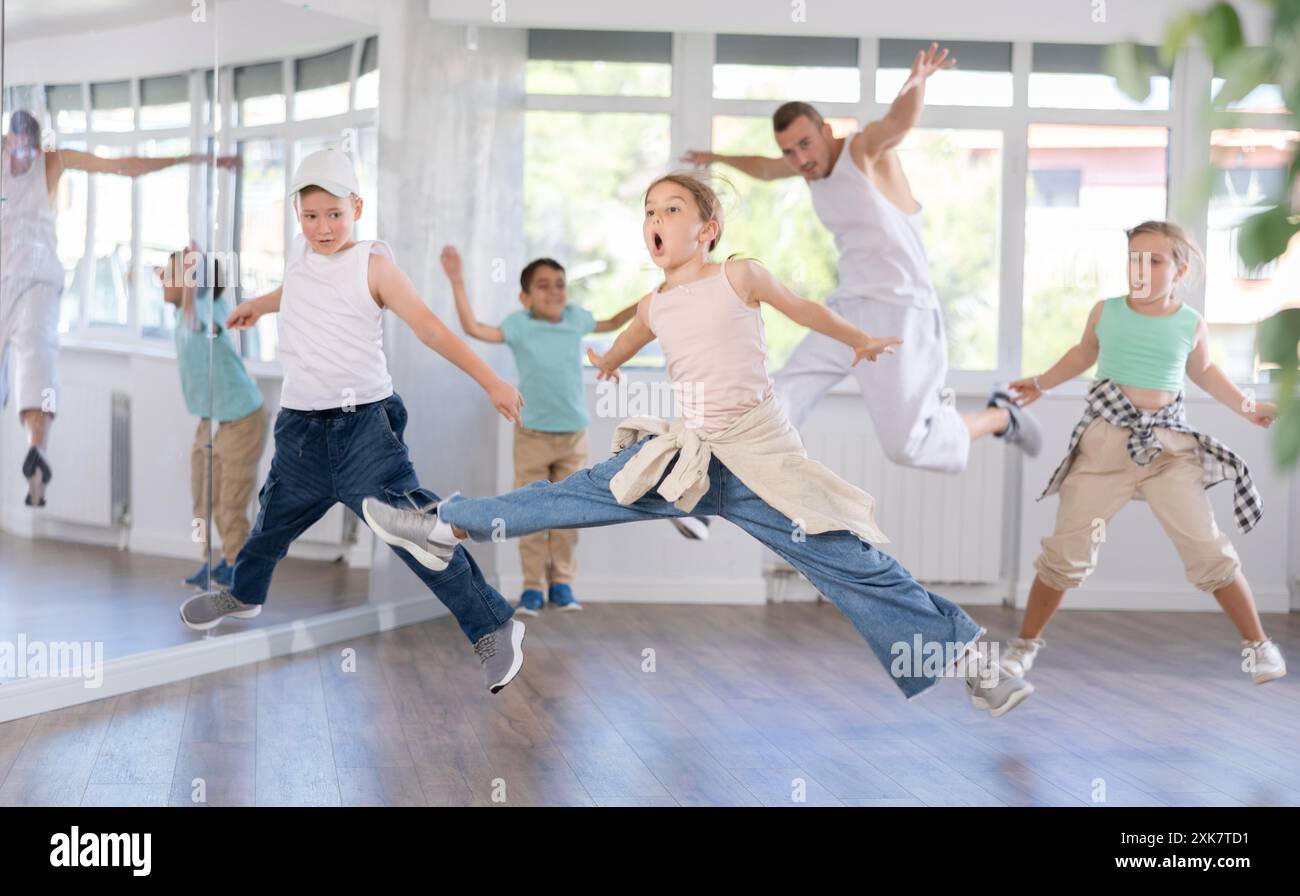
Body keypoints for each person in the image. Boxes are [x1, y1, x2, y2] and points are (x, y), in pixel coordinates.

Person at [362, 171, 1035, 716]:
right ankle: (441, 524)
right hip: (687, 459)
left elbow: (804, 308)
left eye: (672, 207)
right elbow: (626, 340)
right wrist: (606, 362)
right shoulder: (656, 303)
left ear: (706, 229)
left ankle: (979, 666)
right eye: (649, 209)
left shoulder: (739, 275)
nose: (656, 218)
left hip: (762, 460)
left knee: (851, 564)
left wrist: (858, 339)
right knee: (566, 497)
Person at [179, 149, 528, 695]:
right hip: (300, 431)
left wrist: (491, 381)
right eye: (311, 215)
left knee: (417, 535)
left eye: (335, 215)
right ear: (298, 213)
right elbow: (298, 289)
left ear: (357, 207)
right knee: (270, 524)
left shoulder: (374, 264)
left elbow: (432, 329)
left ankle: (493, 626)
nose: (323, 228)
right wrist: (260, 306)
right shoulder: (300, 252)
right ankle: (245, 594)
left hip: (362, 430)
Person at [683, 44, 1040, 475]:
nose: (800, 159)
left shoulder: (864, 151)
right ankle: (720, 480)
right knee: (785, 393)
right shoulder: (805, 168)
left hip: (902, 311)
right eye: (789, 152)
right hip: (849, 307)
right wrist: (716, 157)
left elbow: (899, 122)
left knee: (906, 446)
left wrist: (916, 82)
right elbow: (762, 167)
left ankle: (1001, 416)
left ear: (826, 131)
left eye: (805, 144)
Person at [1002, 220, 1285, 685]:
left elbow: (1207, 372)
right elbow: (1080, 356)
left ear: (1180, 269)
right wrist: (1039, 383)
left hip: (1168, 449)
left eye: (1154, 260)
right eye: (1134, 259)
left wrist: (1248, 407)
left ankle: (1259, 646)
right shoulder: (1106, 311)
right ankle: (1023, 647)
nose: (1141, 269)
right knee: (1066, 553)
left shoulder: (1190, 324)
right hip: (1103, 447)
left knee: (1207, 548)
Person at [0, 108, 237, 505]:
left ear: (38, 147)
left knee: (37, 364)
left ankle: (37, 451)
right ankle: (37, 450)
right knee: (33, 366)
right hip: (13, 280)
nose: (20, 157)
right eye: (14, 147)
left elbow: (125, 166)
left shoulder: (54, 161)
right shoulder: (17, 159)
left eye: (27, 149)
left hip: (38, 281)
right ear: (8, 141)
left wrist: (195, 158)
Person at [443, 246, 636, 615]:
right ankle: (532, 586)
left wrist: (651, 298)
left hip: (573, 436)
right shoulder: (519, 325)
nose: (554, 292)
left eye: (560, 285)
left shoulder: (575, 319)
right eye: (543, 286)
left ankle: (562, 583)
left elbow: (612, 323)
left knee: (569, 513)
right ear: (525, 297)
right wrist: (456, 280)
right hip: (532, 435)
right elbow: (473, 328)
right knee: (528, 512)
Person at [160, 246, 267, 590]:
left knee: (229, 506)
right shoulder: (181, 312)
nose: (164, 279)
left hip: (240, 419)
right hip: (210, 420)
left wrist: (193, 275)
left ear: (193, 283)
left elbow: (202, 325)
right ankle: (211, 565)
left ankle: (240, 572)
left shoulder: (208, 309)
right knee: (202, 501)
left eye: (171, 275)